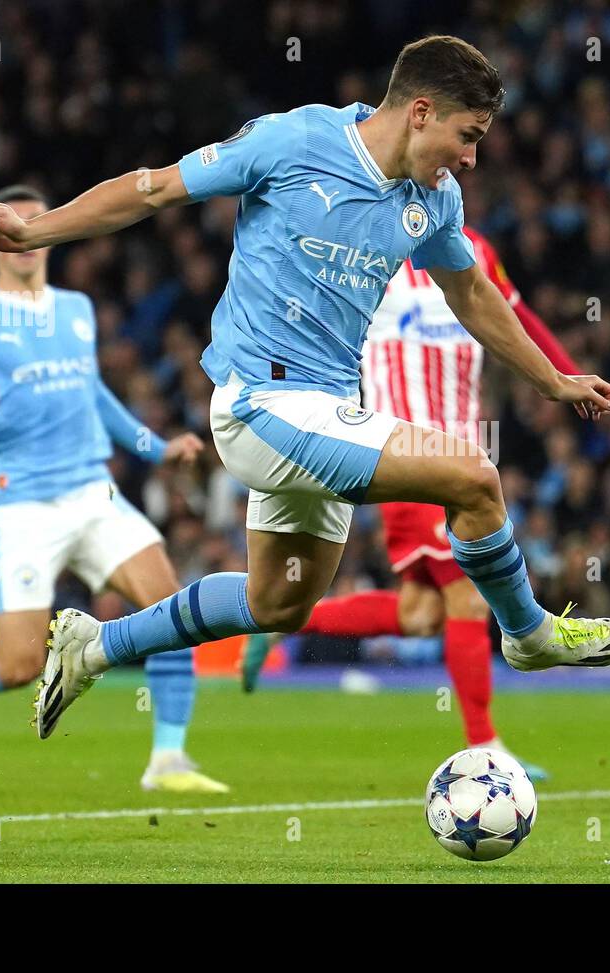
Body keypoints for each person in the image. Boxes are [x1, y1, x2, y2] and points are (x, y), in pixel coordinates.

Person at [0, 35, 610, 741]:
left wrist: (552, 379)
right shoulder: (294, 142)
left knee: (277, 603)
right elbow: (153, 188)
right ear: (420, 112)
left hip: (328, 409)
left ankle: (96, 646)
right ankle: (529, 634)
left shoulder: (436, 198)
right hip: (260, 402)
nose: (471, 157)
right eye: (467, 136)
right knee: (473, 477)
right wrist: (31, 232)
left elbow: (470, 291)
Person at [0, 184, 228, 793]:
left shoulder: (75, 310)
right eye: (16, 222)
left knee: (171, 608)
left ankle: (168, 758)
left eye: (38, 221)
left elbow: (94, 396)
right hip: (18, 506)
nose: (27, 233)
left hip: (91, 492)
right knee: (19, 665)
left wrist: (156, 447)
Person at [242, 226, 584, 780]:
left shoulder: (474, 248)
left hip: (465, 457)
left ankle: (290, 620)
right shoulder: (366, 246)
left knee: (421, 615)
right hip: (404, 452)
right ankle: (487, 748)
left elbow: (516, 318)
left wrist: (567, 376)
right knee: (470, 598)